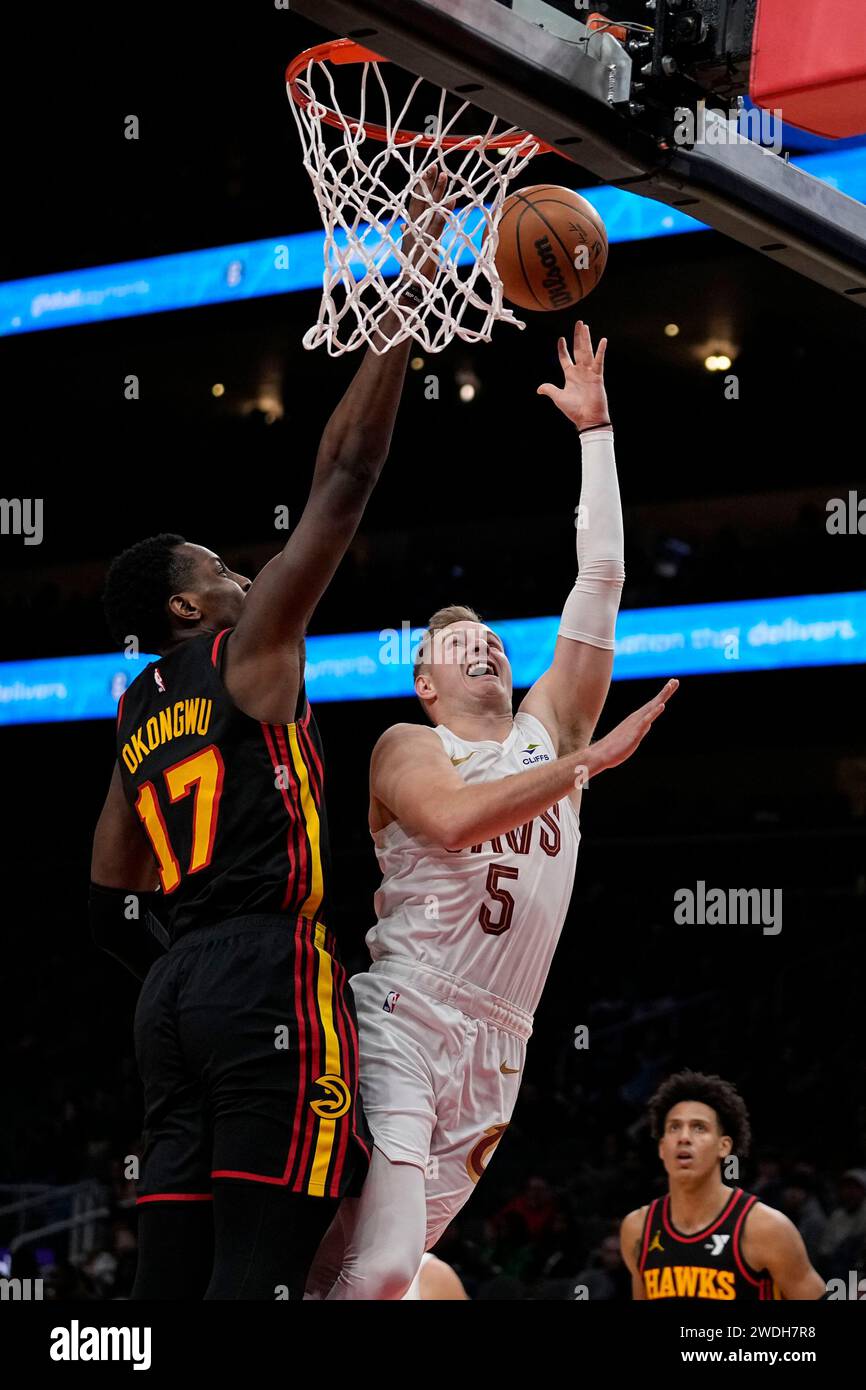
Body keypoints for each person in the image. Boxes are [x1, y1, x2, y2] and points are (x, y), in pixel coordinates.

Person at [89, 171, 453, 1300]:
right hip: (265, 970)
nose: (248, 575)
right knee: (259, 1279)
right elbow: (342, 480)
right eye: (224, 571)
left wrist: (184, 965)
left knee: (165, 1290)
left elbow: (110, 887)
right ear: (191, 608)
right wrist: (407, 296)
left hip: (174, 996)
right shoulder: (245, 654)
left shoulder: (135, 708)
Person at [308, 321, 679, 1299]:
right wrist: (584, 767)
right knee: (388, 1266)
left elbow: (598, 580)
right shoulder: (407, 745)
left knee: (354, 1259)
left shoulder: (546, 725)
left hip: (501, 1041)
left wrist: (594, 438)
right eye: (454, 644)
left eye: (487, 637)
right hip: (404, 1011)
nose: (479, 646)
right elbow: (446, 824)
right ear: (423, 680)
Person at [620, 1070, 825, 1300]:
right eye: (674, 1127)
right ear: (661, 1147)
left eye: (699, 1127)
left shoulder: (766, 1228)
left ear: (724, 1147)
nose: (684, 1137)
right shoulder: (637, 1228)